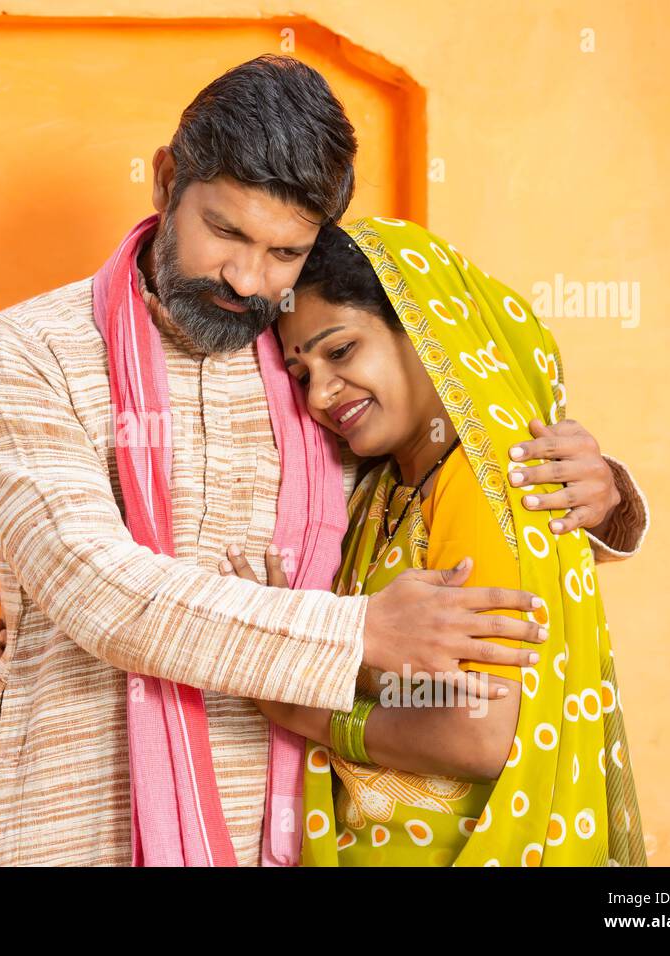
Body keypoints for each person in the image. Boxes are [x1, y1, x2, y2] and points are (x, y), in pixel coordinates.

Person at [0, 56, 648, 866]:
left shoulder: (307, 357)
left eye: (285, 252)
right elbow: (95, 584)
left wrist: (598, 502)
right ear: (166, 181)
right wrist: (360, 631)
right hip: (77, 813)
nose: (247, 278)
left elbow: (433, 484)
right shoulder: (25, 353)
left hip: (292, 828)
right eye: (225, 231)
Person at [216, 218, 646, 865]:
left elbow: (480, 734)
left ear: (420, 328)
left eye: (340, 351)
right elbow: (405, 678)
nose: (320, 394)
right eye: (301, 373)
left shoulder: (480, 474)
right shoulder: (381, 488)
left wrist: (307, 712)